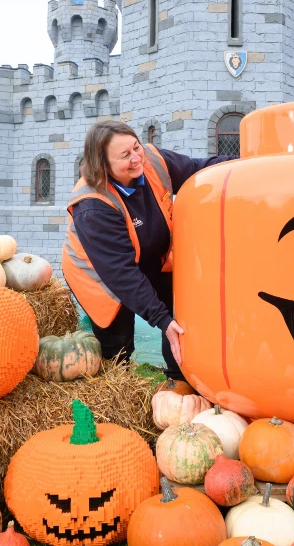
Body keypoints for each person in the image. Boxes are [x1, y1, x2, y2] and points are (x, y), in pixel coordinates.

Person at [62, 121, 235, 386]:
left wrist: (247, 162)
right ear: (103, 165)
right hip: (101, 276)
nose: (135, 158)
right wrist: (160, 319)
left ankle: (178, 382)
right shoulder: (92, 207)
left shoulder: (153, 160)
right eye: (124, 155)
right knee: (117, 343)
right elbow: (123, 275)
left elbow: (199, 169)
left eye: (136, 147)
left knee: (179, 319)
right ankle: (115, 392)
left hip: (153, 258)